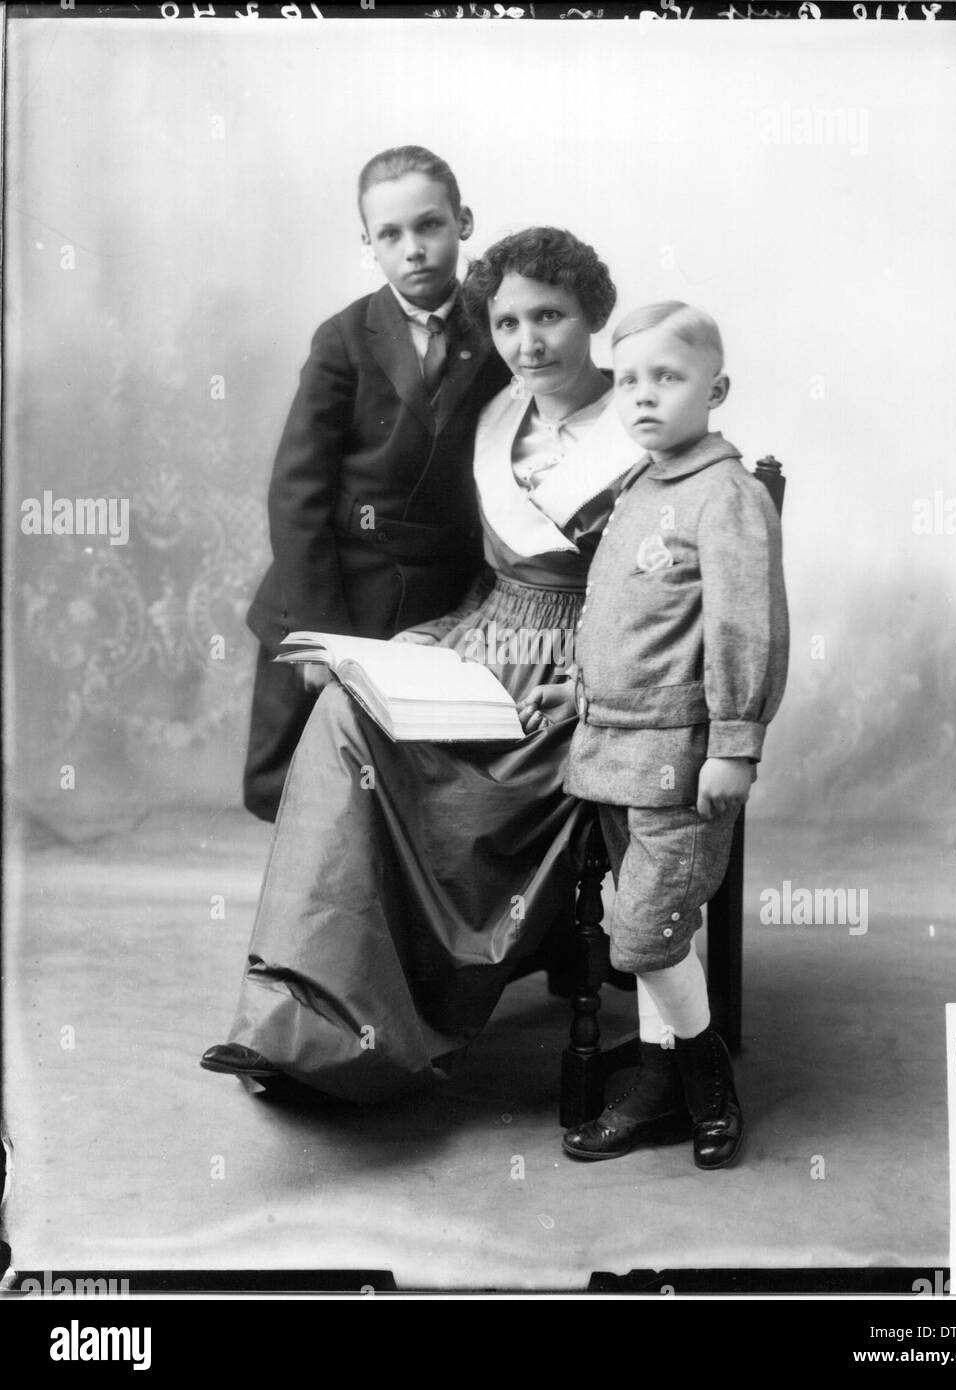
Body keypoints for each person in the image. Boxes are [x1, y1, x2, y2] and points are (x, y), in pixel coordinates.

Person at [202, 228, 643, 1101]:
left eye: (550, 316)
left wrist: (594, 689)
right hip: (487, 650)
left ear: (593, 313)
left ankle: (376, 1034)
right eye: (509, 322)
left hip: (581, 677)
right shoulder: (496, 419)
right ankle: (299, 1021)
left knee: (463, 792)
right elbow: (491, 576)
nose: (528, 342)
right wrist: (441, 634)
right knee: (346, 717)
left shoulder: (644, 427)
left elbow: (667, 609)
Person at [560, 301, 789, 1170]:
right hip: (610, 752)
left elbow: (746, 628)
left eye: (668, 377)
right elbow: (619, 620)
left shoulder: (726, 497)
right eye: (627, 382)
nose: (644, 397)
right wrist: (575, 688)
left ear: (716, 389)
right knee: (652, 928)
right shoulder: (637, 490)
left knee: (644, 938)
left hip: (681, 762)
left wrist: (734, 742)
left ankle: (703, 1080)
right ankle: (660, 1082)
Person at [243, 145, 510, 822]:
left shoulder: (503, 329)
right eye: (390, 235)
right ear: (369, 244)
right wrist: (319, 636)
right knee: (308, 792)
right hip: (333, 589)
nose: (413, 249)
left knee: (423, 795)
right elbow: (296, 494)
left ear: (464, 222)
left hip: (436, 604)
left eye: (429, 226)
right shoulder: (345, 338)